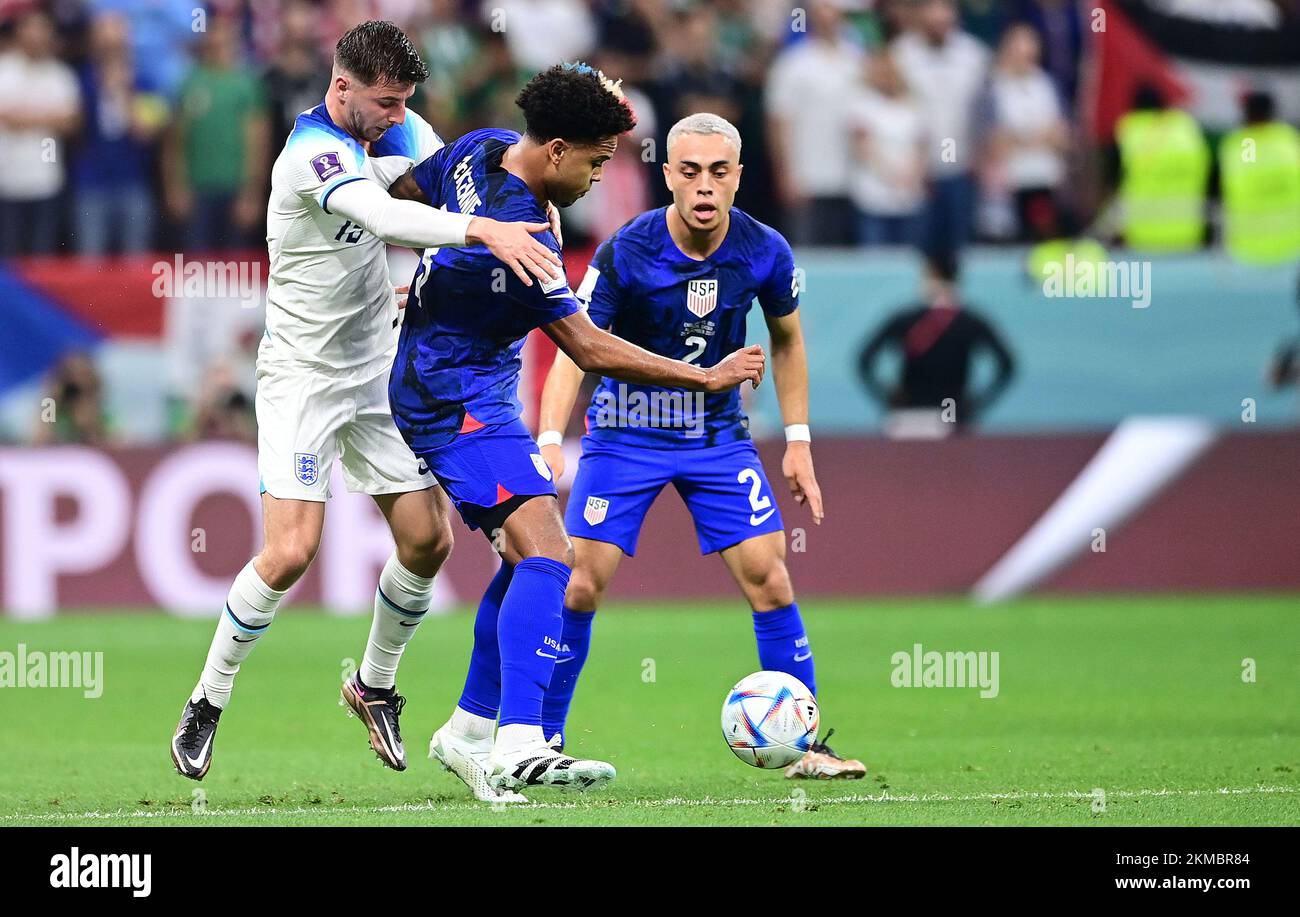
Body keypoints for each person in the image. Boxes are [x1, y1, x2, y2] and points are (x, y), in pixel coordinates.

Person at [170, 20, 566, 789]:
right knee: (290, 550)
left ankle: (375, 685)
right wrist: (485, 230)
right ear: (341, 86)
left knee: (429, 542)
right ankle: (207, 699)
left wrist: (527, 204)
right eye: (384, 103)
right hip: (303, 375)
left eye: (406, 102)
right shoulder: (309, 155)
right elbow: (387, 217)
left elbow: (447, 181)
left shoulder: (403, 125)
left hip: (377, 364)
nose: (397, 116)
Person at [386, 65, 767, 798]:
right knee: (553, 554)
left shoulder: (481, 148)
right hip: (450, 396)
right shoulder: (524, 234)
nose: (599, 178)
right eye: (595, 161)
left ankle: (469, 729)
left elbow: (403, 197)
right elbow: (589, 347)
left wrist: (433, 282)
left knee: (524, 557)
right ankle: (521, 740)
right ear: (556, 151)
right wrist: (706, 375)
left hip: (473, 385)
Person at [535, 112, 866, 781]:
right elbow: (574, 347)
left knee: (771, 577)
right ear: (669, 176)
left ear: (739, 176)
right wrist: (548, 436)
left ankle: (803, 747)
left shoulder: (764, 249)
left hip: (717, 436)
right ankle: (541, 739)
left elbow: (789, 338)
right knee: (578, 584)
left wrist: (798, 441)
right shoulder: (627, 249)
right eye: (690, 171)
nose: (705, 185)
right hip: (626, 432)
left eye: (719, 171)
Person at [857, 253, 1015, 432]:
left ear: (932, 276)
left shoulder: (905, 319)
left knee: (903, 461)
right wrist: (977, 403)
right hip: (954, 416)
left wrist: (888, 398)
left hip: (909, 414)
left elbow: (864, 359)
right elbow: (1007, 365)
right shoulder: (971, 321)